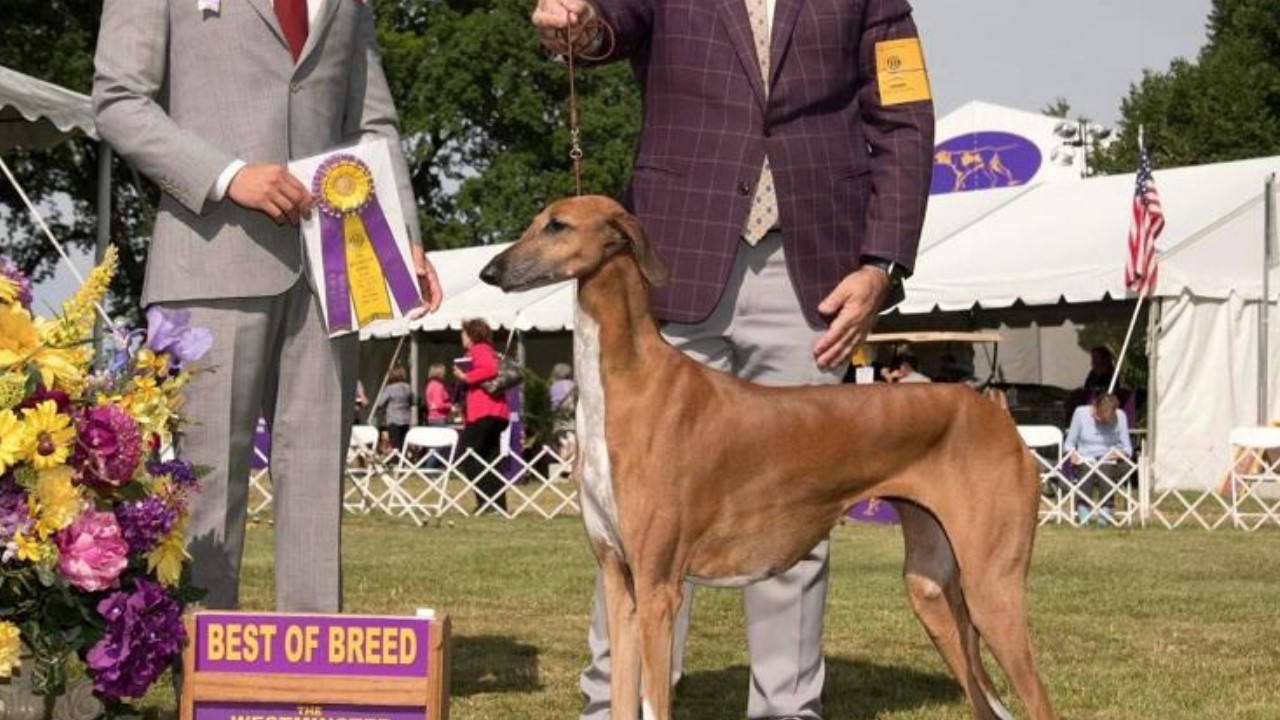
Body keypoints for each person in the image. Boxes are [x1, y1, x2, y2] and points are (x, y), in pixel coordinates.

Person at [532, 2, 934, 718]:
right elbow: (614, 22)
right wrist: (578, 23)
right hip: (673, 262)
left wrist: (882, 263)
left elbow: (904, 115)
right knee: (636, 515)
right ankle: (613, 706)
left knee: (796, 503)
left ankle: (786, 709)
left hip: (814, 268)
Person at [93, 0, 442, 612]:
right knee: (203, 487)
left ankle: (312, 662)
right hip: (207, 265)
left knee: (317, 481)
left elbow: (373, 124)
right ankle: (200, 663)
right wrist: (228, 175)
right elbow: (119, 101)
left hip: (331, 271)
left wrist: (402, 236)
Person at [453, 319, 511, 514]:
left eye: (463, 334)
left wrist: (466, 377)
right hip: (497, 413)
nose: (462, 337)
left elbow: (489, 369)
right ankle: (497, 505)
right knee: (490, 460)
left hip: (484, 412)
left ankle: (487, 501)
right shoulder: (489, 350)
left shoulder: (479, 350)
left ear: (472, 335)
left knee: (467, 455)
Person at [1064, 392, 1133, 526]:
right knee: (1087, 468)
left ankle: (1106, 510)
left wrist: (1120, 454)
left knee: (1105, 468)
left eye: (1105, 420)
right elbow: (1069, 444)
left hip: (1110, 460)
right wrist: (1073, 454)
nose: (1100, 421)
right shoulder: (1080, 413)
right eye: (1098, 417)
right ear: (1094, 405)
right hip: (1085, 458)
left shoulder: (1121, 416)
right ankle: (1083, 508)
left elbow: (1127, 449)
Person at [372, 366, 416, 455]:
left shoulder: (390, 388)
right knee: (403, 443)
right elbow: (414, 401)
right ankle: (402, 460)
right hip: (405, 419)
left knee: (395, 444)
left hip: (393, 419)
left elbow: (380, 403)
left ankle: (395, 460)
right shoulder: (408, 387)